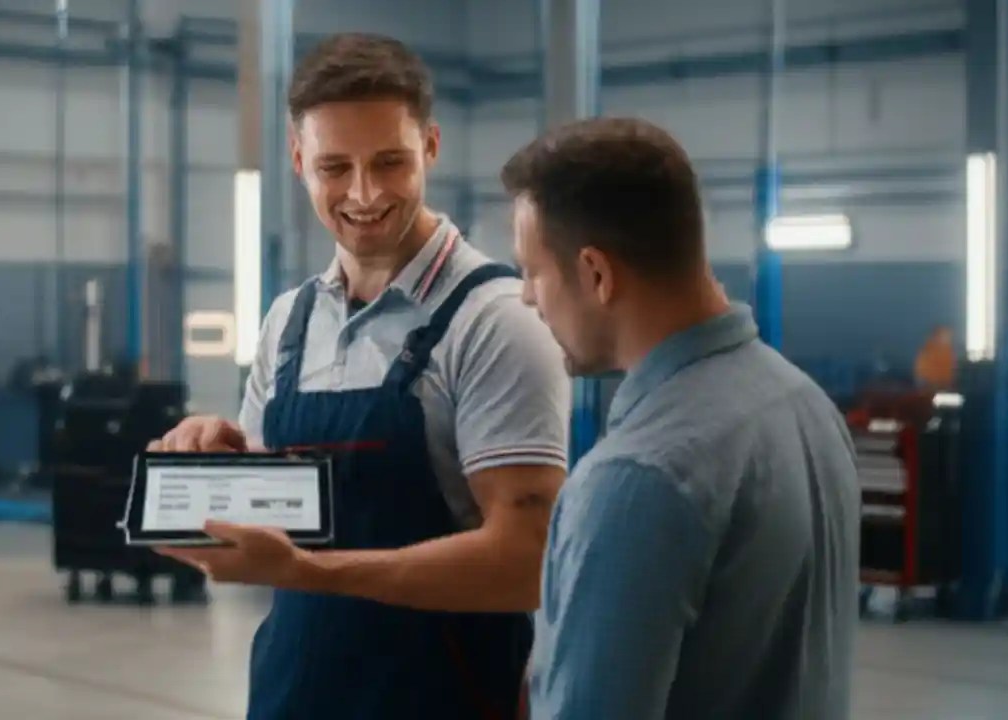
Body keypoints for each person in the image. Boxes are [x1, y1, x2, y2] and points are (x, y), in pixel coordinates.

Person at [149, 33, 570, 720]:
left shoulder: (495, 321)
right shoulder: (288, 321)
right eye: (334, 167)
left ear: (431, 147)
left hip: (442, 699)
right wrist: (217, 453)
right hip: (294, 693)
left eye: (390, 162)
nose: (364, 193)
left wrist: (309, 573)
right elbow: (275, 514)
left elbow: (528, 558)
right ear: (297, 161)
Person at [503, 117, 861, 719]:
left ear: (596, 274)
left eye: (532, 270)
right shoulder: (804, 403)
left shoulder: (636, 477)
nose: (526, 296)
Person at [914, 324, 955, 390]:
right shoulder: (927, 350)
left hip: (943, 388)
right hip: (929, 387)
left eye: (947, 336)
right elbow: (921, 376)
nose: (946, 338)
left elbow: (950, 375)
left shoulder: (949, 352)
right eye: (944, 336)